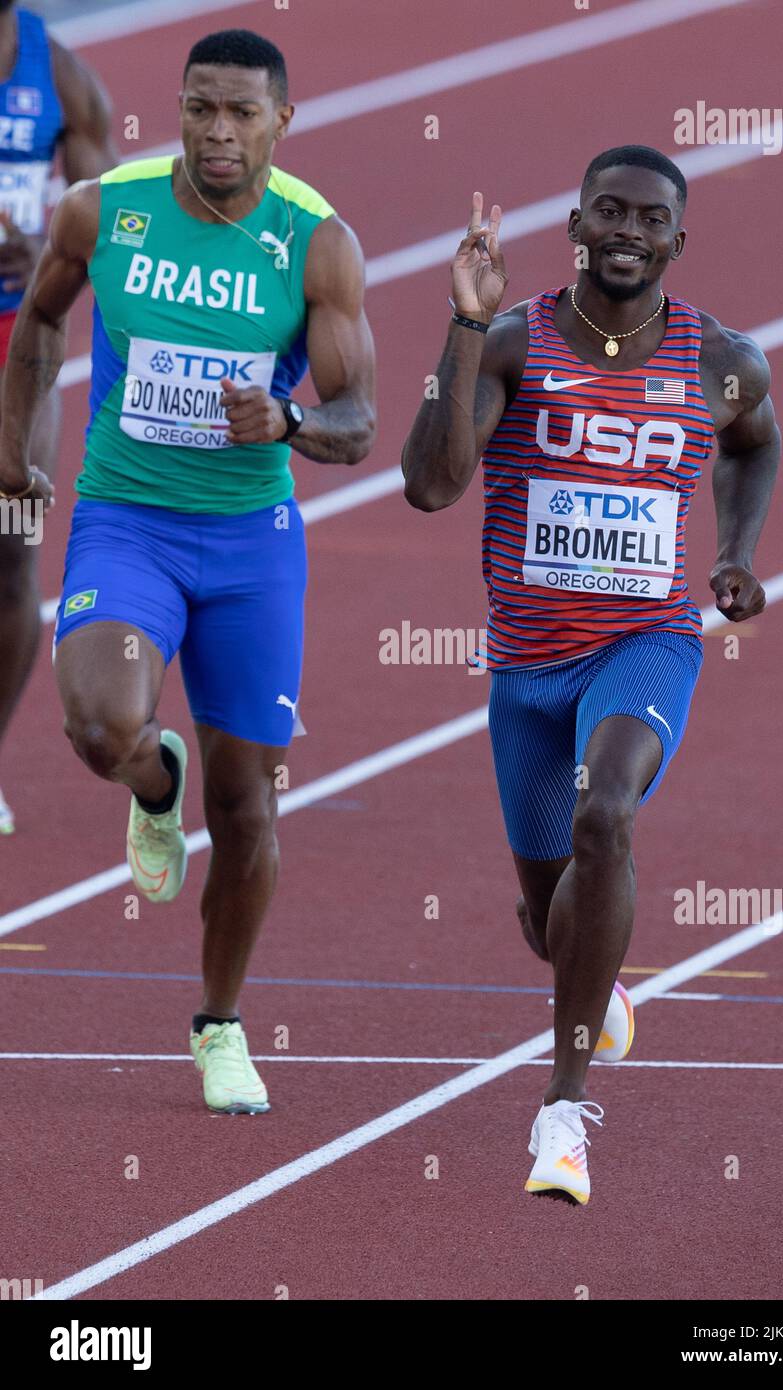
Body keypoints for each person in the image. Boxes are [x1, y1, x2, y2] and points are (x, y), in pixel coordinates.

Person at [0, 28, 376, 1113]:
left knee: (250, 804)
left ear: (280, 122)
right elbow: (35, 323)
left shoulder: (315, 243)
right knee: (99, 728)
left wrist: (293, 418)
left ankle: (219, 1025)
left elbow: (358, 424)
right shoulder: (105, 209)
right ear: (176, 106)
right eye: (199, 109)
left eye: (241, 114)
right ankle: (149, 783)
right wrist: (20, 450)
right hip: (126, 520)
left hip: (250, 545)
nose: (218, 132)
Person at [402, 146, 780, 1203]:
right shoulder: (517, 341)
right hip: (527, 664)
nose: (624, 231)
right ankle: (588, 971)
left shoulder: (720, 361)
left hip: (644, 642)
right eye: (605, 212)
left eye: (647, 218)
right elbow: (430, 487)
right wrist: (464, 324)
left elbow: (755, 439)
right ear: (573, 222)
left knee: (604, 817)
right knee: (546, 921)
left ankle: (560, 1109)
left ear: (675, 239)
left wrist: (734, 553)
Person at [0, 0, 116, 834]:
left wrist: (42, 249)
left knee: (11, 546)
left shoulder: (61, 76)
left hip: (14, 335)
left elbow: (108, 220)